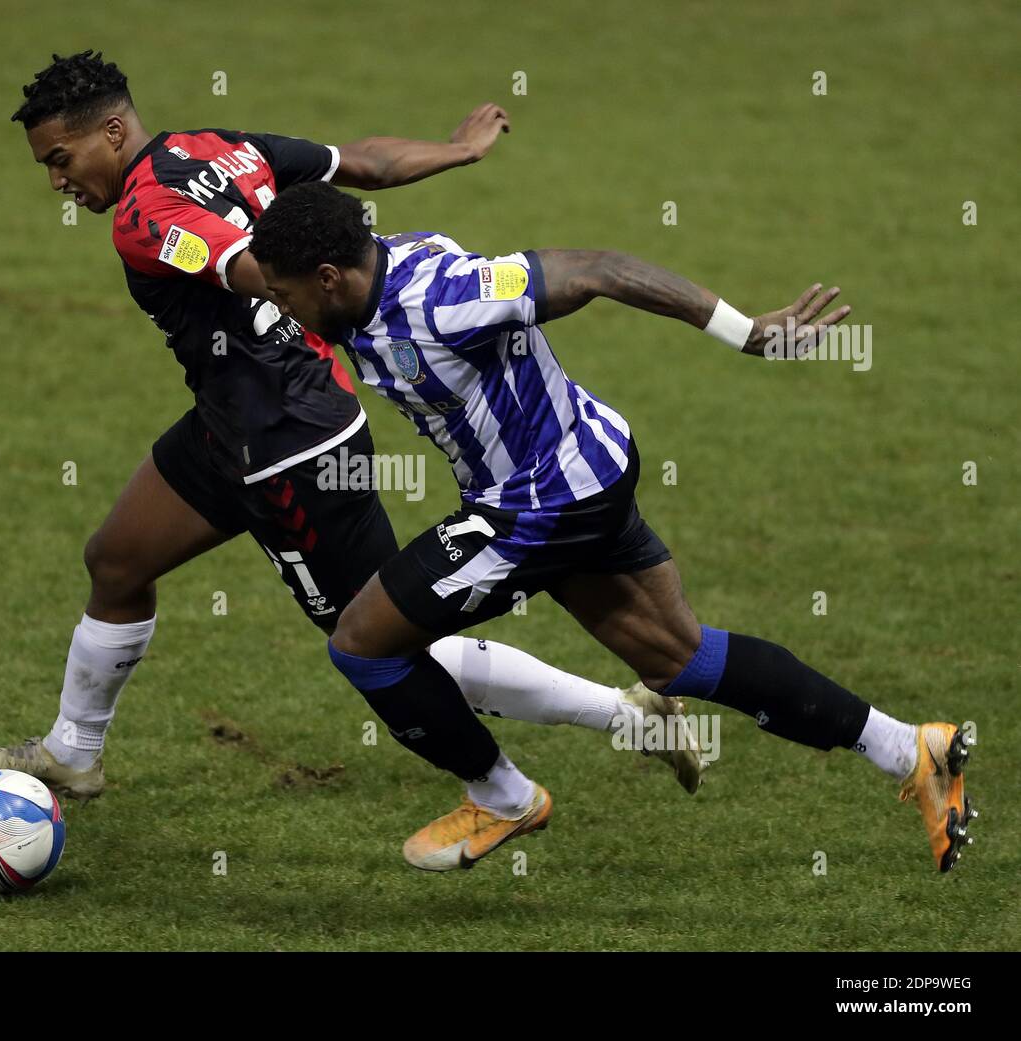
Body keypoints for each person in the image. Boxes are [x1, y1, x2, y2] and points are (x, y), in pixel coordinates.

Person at [0, 51, 703, 809]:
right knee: (116, 562)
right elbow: (365, 164)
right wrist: (459, 149)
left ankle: (624, 716)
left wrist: (317, 275)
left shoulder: (144, 221)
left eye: (60, 159)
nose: (56, 180)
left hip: (294, 444)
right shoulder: (219, 147)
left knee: (384, 636)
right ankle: (72, 752)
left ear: (112, 130)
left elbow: (257, 271)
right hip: (228, 426)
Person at [248, 180, 976, 873]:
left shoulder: (443, 298)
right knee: (680, 660)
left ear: (328, 277)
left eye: (284, 295)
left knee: (362, 644)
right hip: (586, 470)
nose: (281, 309)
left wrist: (748, 332)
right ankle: (913, 748)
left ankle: (501, 797)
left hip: (539, 502)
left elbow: (601, 268)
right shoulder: (366, 275)